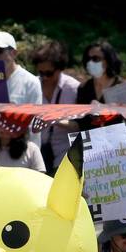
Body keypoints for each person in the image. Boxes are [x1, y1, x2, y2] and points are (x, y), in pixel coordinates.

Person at [32, 40, 80, 172]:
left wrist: (54, 120)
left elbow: (80, 125)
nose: (45, 77)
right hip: (37, 154)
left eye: (49, 73)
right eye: (41, 73)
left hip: (64, 155)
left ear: (60, 68)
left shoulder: (73, 89)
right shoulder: (33, 85)